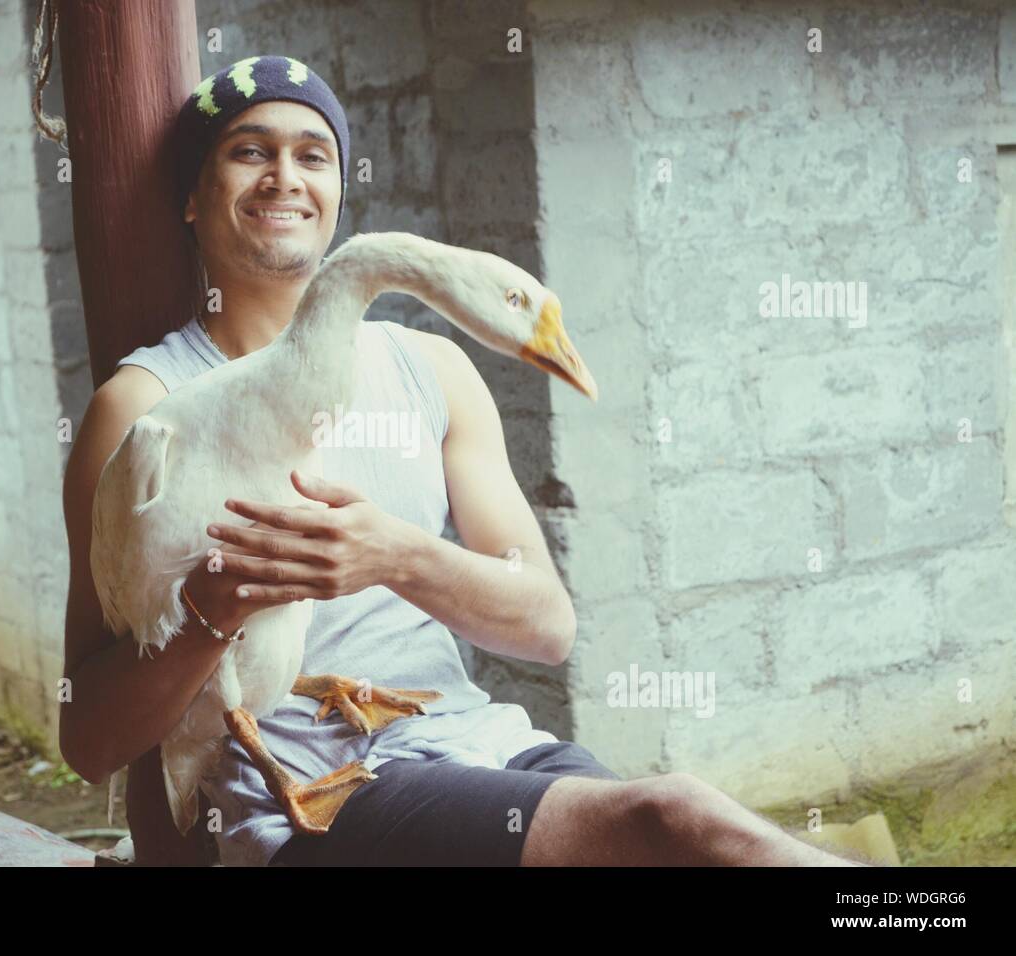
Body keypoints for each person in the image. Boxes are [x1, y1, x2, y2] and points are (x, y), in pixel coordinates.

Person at [60, 55, 864, 867]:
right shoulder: (143, 411)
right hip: (318, 801)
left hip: (480, 749)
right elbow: (89, 740)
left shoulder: (432, 370)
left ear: (341, 191)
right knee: (677, 823)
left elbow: (547, 625)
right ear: (192, 197)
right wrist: (213, 613)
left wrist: (395, 555)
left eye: (314, 155)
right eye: (248, 151)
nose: (284, 177)